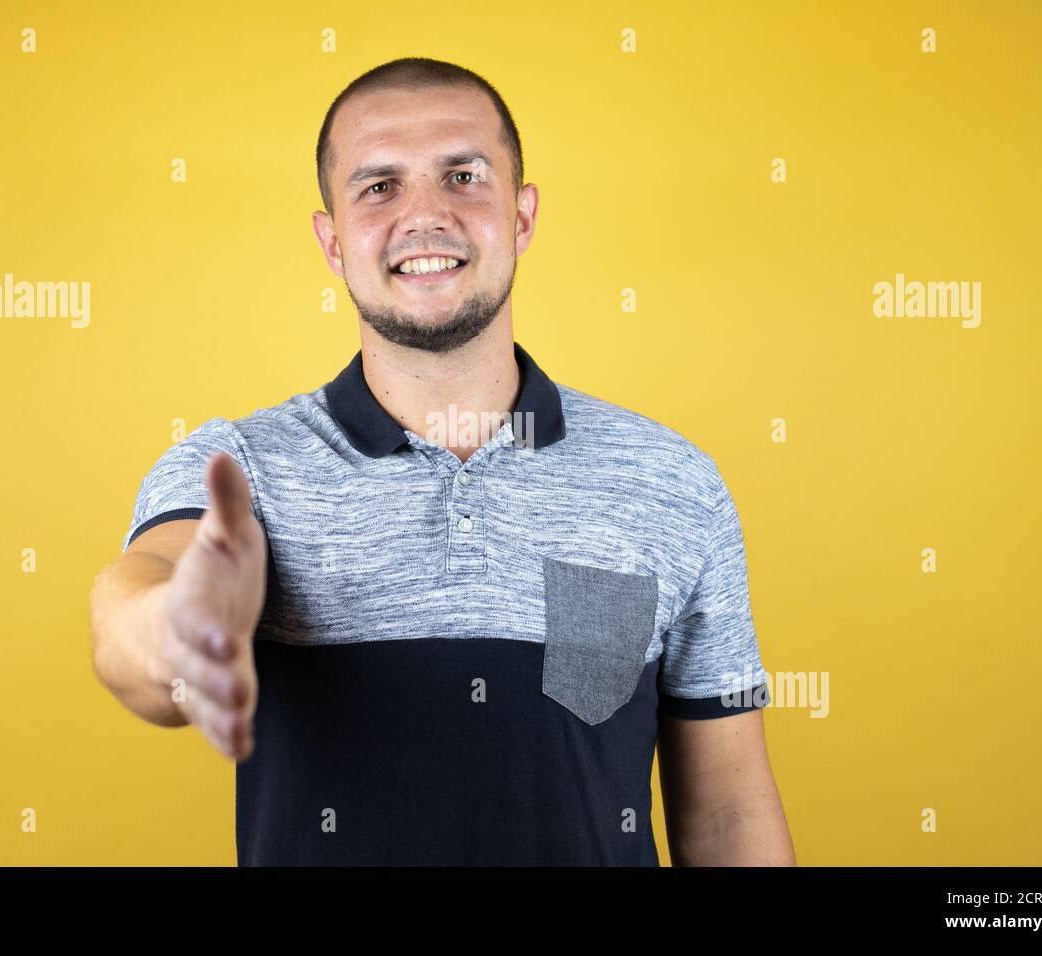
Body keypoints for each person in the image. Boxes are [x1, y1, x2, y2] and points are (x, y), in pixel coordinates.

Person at [90, 56, 795, 866]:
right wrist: (175, 631)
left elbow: (731, 816)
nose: (425, 217)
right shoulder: (240, 467)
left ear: (523, 216)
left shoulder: (669, 481)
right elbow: (133, 613)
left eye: (463, 175)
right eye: (379, 187)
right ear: (331, 240)